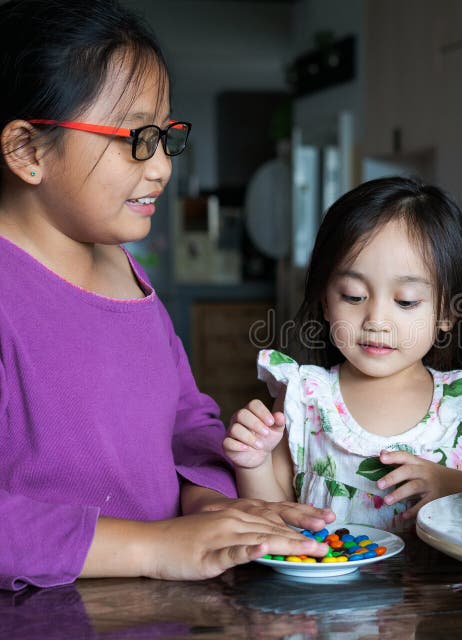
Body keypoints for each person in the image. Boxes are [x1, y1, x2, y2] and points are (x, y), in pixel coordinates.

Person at [0, 0, 333, 592]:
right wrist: (156, 545)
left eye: (163, 135)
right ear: (28, 150)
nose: (160, 168)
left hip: (162, 605)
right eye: (134, 137)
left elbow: (184, 421)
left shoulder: (127, 273)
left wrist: (208, 507)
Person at [224, 177, 462, 531]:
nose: (377, 321)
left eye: (406, 301)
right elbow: (275, 517)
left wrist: (454, 486)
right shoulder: (305, 397)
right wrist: (253, 463)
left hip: (444, 588)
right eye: (353, 295)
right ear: (324, 300)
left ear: (448, 313)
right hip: (331, 587)